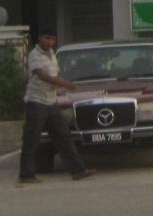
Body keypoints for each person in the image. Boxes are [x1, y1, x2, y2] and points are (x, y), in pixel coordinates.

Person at [18, 30, 95, 184]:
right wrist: (64, 84)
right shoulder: (35, 54)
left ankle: (78, 170)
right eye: (47, 38)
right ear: (40, 37)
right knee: (32, 139)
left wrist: (65, 84)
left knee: (63, 136)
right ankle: (26, 175)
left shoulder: (52, 55)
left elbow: (55, 75)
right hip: (36, 101)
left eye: (53, 39)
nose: (50, 42)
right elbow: (42, 75)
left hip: (51, 101)